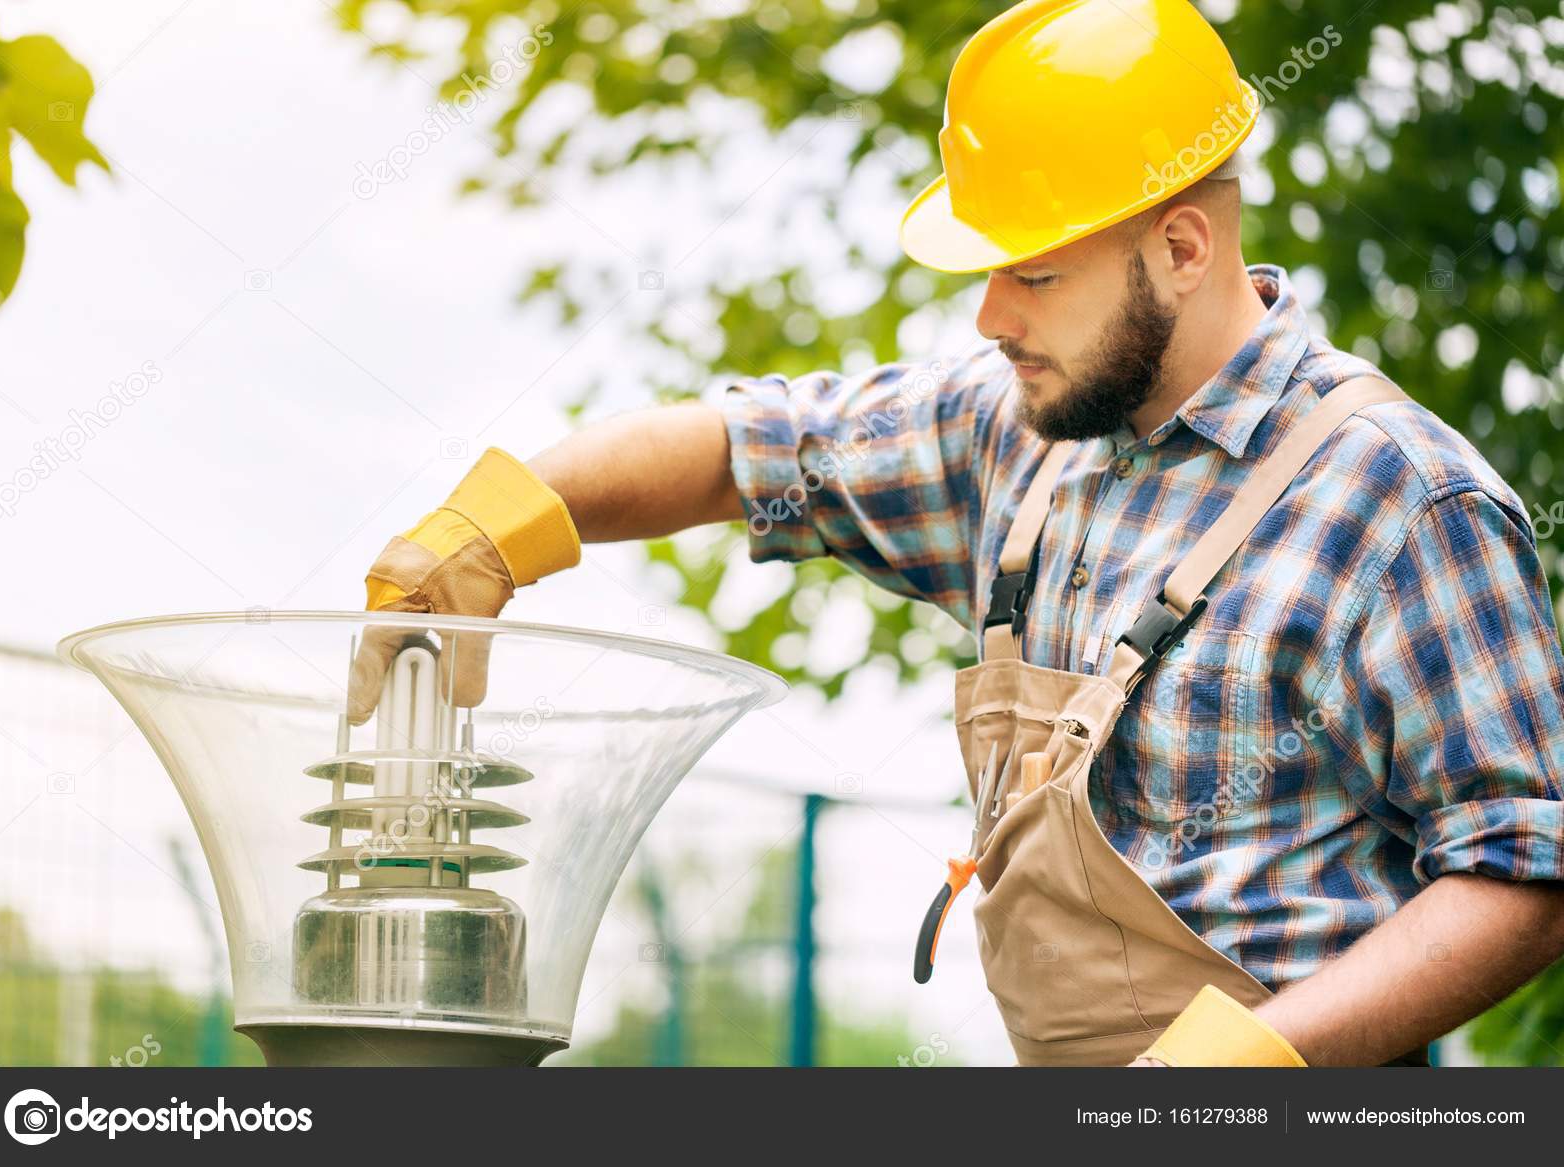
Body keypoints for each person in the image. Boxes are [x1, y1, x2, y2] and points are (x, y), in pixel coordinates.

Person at [350, 0, 1564, 1066]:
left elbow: (1522, 872)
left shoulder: (1398, 502)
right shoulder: (1012, 436)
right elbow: (744, 449)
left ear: (1181, 249)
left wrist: (1254, 1063)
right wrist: (496, 526)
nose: (989, 316)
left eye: (1031, 275)